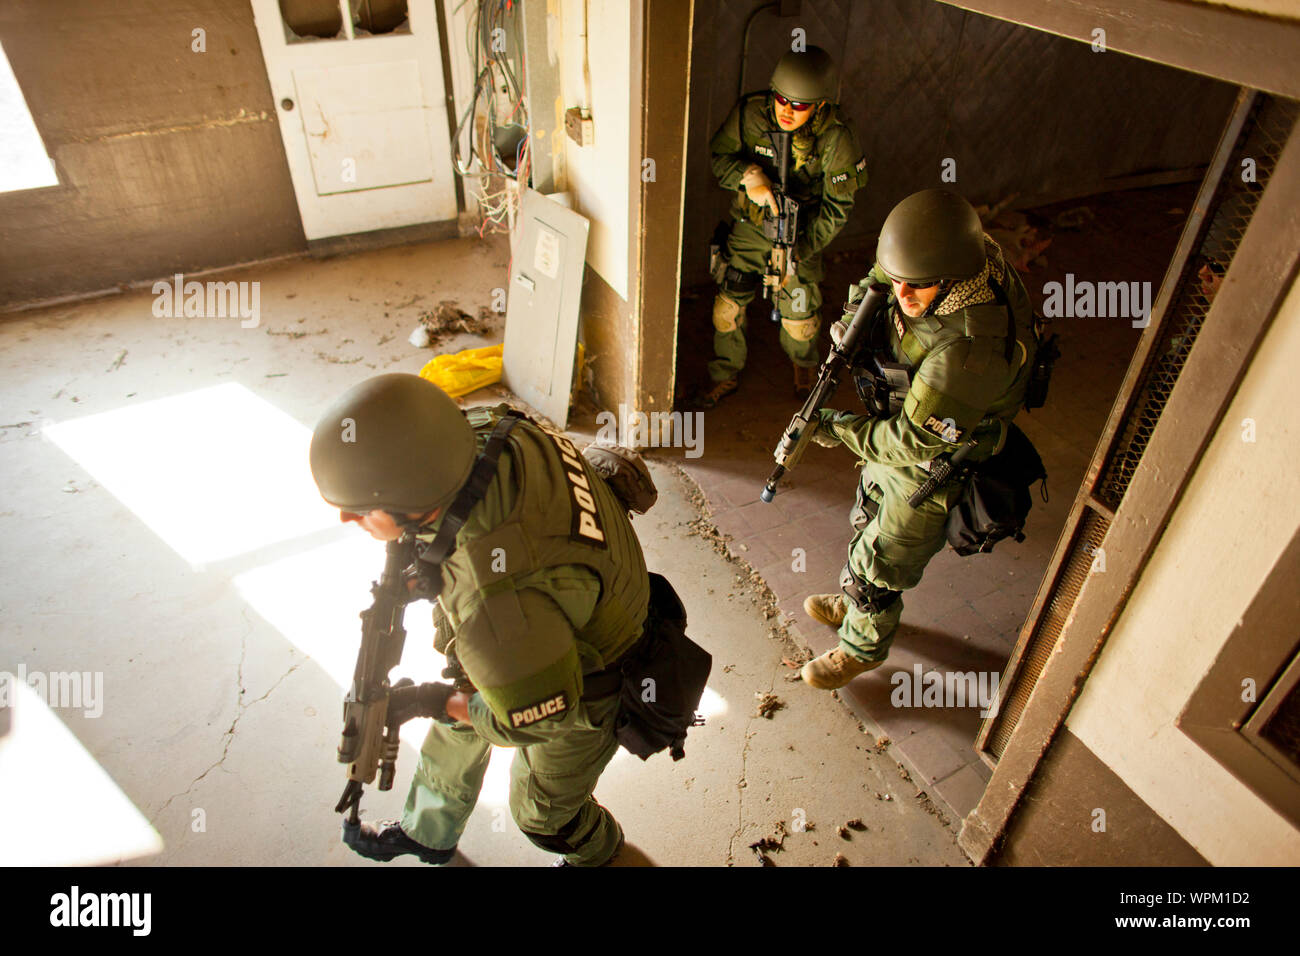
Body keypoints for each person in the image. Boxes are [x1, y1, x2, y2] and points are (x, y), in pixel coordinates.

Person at [308, 374, 651, 866]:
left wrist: (433, 701)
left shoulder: (492, 603)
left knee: (542, 812)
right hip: (584, 589)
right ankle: (430, 832)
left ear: (415, 504)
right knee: (462, 695)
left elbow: (536, 717)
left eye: (360, 509)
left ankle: (597, 852)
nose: (346, 518)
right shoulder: (482, 428)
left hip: (598, 677)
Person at [800, 189, 1038, 689]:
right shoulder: (946, 252)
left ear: (954, 277)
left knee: (886, 558)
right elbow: (883, 277)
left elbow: (913, 441)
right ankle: (854, 598)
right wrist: (855, 314)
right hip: (904, 428)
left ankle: (861, 649)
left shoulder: (970, 348)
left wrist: (837, 429)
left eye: (920, 287)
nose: (903, 295)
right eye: (900, 279)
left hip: (938, 463)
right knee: (866, 517)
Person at [693, 45, 868, 409]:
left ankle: (804, 369)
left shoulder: (837, 138)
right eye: (781, 99)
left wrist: (801, 248)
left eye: (800, 105)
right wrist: (748, 175)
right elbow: (719, 156)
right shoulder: (751, 113)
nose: (787, 110)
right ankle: (725, 372)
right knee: (727, 304)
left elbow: (837, 209)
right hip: (750, 226)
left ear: (820, 105)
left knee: (800, 314)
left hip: (800, 235)